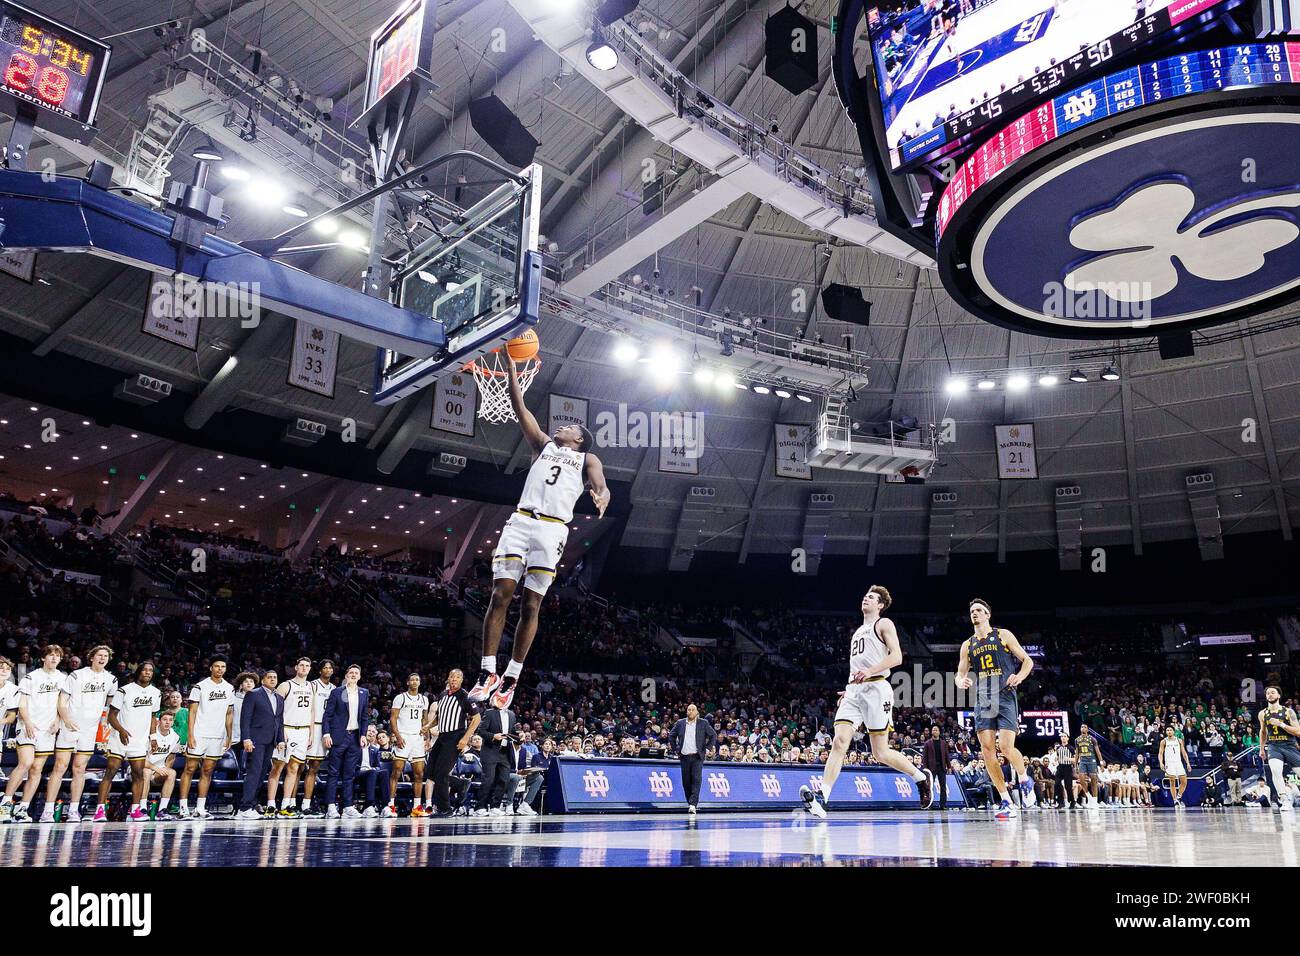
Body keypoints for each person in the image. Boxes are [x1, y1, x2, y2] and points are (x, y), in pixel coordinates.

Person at [468, 359, 610, 710]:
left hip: (551, 529)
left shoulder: (587, 458)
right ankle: (487, 672)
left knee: (532, 603)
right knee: (500, 595)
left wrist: (600, 496)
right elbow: (520, 409)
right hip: (520, 522)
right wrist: (514, 374)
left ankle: (512, 676)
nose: (560, 426)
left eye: (569, 426)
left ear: (579, 439)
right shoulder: (543, 445)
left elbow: (602, 484)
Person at [804, 586, 932, 818]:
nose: (866, 598)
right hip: (854, 691)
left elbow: (897, 657)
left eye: (871, 597)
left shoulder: (883, 624)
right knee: (839, 741)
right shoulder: (858, 631)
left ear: (880, 605)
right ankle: (822, 797)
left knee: (880, 753)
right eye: (865, 595)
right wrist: (850, 686)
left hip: (877, 688)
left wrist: (869, 672)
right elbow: (858, 665)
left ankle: (921, 777)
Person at [955, 599, 1035, 820]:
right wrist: (960, 681)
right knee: (988, 750)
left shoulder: (1003, 635)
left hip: (1006, 695)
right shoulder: (968, 645)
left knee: (1006, 748)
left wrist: (1019, 676)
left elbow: (1027, 661)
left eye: (979, 610)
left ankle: (1024, 777)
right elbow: (960, 674)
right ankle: (1006, 800)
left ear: (988, 614)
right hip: (983, 699)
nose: (975, 613)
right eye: (972, 611)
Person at [47, 644, 117, 823]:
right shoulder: (77, 675)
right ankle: (48, 810)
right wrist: (67, 719)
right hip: (69, 725)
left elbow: (109, 704)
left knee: (79, 769)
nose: (102, 658)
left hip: (89, 729)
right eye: (99, 655)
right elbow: (61, 701)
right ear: (91, 657)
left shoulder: (111, 679)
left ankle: (73, 810)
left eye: (105, 656)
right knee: (60, 767)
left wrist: (104, 721)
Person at [0, 645, 64, 823]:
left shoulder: (62, 678)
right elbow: (22, 703)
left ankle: (23, 808)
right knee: (26, 763)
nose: (53, 658)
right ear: (43, 658)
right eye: (50, 655)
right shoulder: (31, 677)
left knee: (37, 770)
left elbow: (61, 703)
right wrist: (27, 721)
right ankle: (5, 803)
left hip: (48, 729)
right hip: (28, 725)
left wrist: (58, 721)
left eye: (57, 656)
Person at [96, 661, 160, 823]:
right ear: (138, 672)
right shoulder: (124, 690)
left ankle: (135, 810)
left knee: (139, 775)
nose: (147, 672)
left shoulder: (156, 693)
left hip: (139, 740)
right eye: (144, 670)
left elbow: (153, 717)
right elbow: (111, 716)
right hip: (119, 739)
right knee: (110, 772)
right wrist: (121, 730)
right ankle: (100, 810)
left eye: (150, 670)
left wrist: (153, 737)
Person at [177, 656, 235, 820]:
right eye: (217, 666)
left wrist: (229, 735)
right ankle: (183, 808)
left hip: (217, 735)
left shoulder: (229, 688)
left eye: (223, 666)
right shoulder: (200, 686)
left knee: (208, 771)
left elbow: (229, 713)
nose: (220, 669)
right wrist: (190, 734)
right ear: (211, 668)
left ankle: (200, 808)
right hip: (199, 733)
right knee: (189, 769)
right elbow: (192, 712)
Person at [428, 669, 482, 816]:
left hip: (455, 736)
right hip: (442, 736)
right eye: (452, 676)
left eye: (458, 677)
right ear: (448, 678)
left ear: (461, 680)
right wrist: (428, 726)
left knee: (441, 774)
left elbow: (476, 719)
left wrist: (465, 738)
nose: (454, 679)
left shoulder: (465, 696)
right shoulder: (443, 694)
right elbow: (440, 715)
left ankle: (445, 809)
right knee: (430, 772)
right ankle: (461, 783)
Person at [266, 657, 314, 818]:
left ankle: (286, 805)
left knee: (294, 768)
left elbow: (312, 712)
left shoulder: (311, 686)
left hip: (303, 731)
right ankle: (271, 805)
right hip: (286, 729)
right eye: (301, 665)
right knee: (277, 767)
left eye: (307, 666)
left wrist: (311, 733)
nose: (304, 668)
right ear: (296, 667)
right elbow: (275, 711)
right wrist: (280, 731)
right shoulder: (286, 685)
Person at [321, 664, 370, 818]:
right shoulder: (336, 692)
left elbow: (364, 717)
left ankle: (348, 806)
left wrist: (363, 734)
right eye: (351, 672)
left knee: (349, 774)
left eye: (357, 673)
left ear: (360, 676)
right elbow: (327, 715)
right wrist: (326, 734)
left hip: (354, 738)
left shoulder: (364, 692)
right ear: (346, 675)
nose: (354, 675)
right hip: (338, 737)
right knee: (333, 773)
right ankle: (330, 807)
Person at [237, 669, 284, 821]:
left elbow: (279, 721)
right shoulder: (254, 694)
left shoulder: (279, 697)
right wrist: (246, 738)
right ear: (263, 680)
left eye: (275, 677)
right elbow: (245, 718)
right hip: (255, 740)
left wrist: (280, 739)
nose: (272, 679)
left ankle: (252, 804)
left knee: (262, 773)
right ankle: (244, 808)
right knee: (253, 772)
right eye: (269, 677)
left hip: (270, 741)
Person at [386, 673, 433, 817]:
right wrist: (397, 736)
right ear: (407, 682)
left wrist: (427, 738)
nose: (414, 681)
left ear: (419, 682)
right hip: (404, 736)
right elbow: (393, 718)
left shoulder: (424, 699)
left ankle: (417, 807)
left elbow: (424, 720)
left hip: (417, 738)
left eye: (417, 679)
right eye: (412, 679)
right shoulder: (400, 697)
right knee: (396, 771)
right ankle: (391, 805)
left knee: (419, 774)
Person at [302, 659, 336, 818]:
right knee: (298, 767)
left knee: (314, 767)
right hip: (310, 726)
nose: (328, 670)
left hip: (325, 728)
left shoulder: (335, 689)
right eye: (325, 667)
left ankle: (306, 804)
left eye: (330, 668)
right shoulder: (312, 685)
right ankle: (290, 803)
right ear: (320, 670)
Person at [1258, 685, 1300, 812]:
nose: (1270, 694)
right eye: (1268, 693)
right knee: (1276, 771)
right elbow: (1263, 732)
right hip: (1273, 746)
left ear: (1278, 696)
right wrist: (1261, 748)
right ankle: (1284, 799)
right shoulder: (1262, 713)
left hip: (1289, 745)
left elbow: (1298, 732)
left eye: (1273, 692)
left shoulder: (1288, 712)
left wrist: (1281, 724)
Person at [670, 703, 717, 813]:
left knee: (696, 780)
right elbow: (671, 735)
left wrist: (707, 749)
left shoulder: (703, 723)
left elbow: (713, 735)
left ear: (697, 712)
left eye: (693, 710)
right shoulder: (680, 723)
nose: (690, 711)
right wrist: (676, 749)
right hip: (684, 756)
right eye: (688, 709)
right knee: (686, 781)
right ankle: (690, 802)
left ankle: (693, 804)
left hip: (697, 757)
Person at [475, 700, 519, 815]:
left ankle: (495, 806)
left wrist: (520, 737)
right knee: (488, 780)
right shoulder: (489, 713)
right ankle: (480, 807)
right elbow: (480, 731)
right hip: (490, 750)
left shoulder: (511, 714)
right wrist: (493, 736)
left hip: (505, 752)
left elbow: (513, 733)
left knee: (503, 780)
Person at [146, 710, 182, 817]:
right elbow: (139, 760)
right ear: (158, 722)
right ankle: (142, 808)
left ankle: (162, 809)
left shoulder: (175, 737)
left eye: (170, 720)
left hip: (158, 772)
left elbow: (172, 757)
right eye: (165, 720)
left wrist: (165, 768)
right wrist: (154, 768)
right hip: (141, 770)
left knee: (171, 773)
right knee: (146, 772)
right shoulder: (150, 735)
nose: (167, 722)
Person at [1159, 724, 1190, 807]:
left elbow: (1184, 752)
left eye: (1170, 730)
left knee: (1184, 781)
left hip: (1178, 762)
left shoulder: (1179, 740)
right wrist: (1161, 763)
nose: (1169, 731)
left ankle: (1179, 797)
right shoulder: (1163, 741)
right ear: (1166, 732)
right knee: (1172, 782)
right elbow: (1161, 753)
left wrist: (1188, 763)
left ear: (1173, 731)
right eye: (1167, 730)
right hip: (1169, 763)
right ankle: (1175, 800)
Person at [922, 726, 952, 809]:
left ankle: (943, 804)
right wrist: (925, 768)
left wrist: (949, 766)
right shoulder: (927, 743)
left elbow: (946, 756)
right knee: (930, 787)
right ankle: (930, 804)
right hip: (931, 767)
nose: (934, 731)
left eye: (936, 730)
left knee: (943, 787)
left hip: (942, 767)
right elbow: (925, 757)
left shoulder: (943, 743)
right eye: (933, 730)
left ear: (939, 732)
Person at [1074, 723, 1101, 807]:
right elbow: (1077, 753)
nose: (1083, 728)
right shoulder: (1077, 740)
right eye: (1081, 727)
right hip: (1082, 760)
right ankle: (1089, 797)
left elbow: (1098, 751)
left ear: (1087, 730)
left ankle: (1095, 801)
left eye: (1085, 727)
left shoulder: (1092, 739)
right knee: (1081, 779)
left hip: (1091, 760)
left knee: (1094, 780)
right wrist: (1075, 765)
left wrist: (1101, 762)